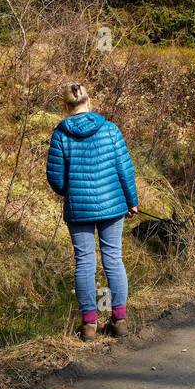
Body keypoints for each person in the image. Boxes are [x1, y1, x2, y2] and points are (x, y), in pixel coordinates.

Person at [46, 82, 138, 341]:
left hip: (79, 208)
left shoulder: (60, 134)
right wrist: (132, 200)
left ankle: (89, 326)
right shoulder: (110, 129)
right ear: (90, 101)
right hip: (112, 205)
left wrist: (70, 189)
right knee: (113, 259)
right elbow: (124, 169)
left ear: (66, 106)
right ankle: (119, 321)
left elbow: (56, 178)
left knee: (84, 262)